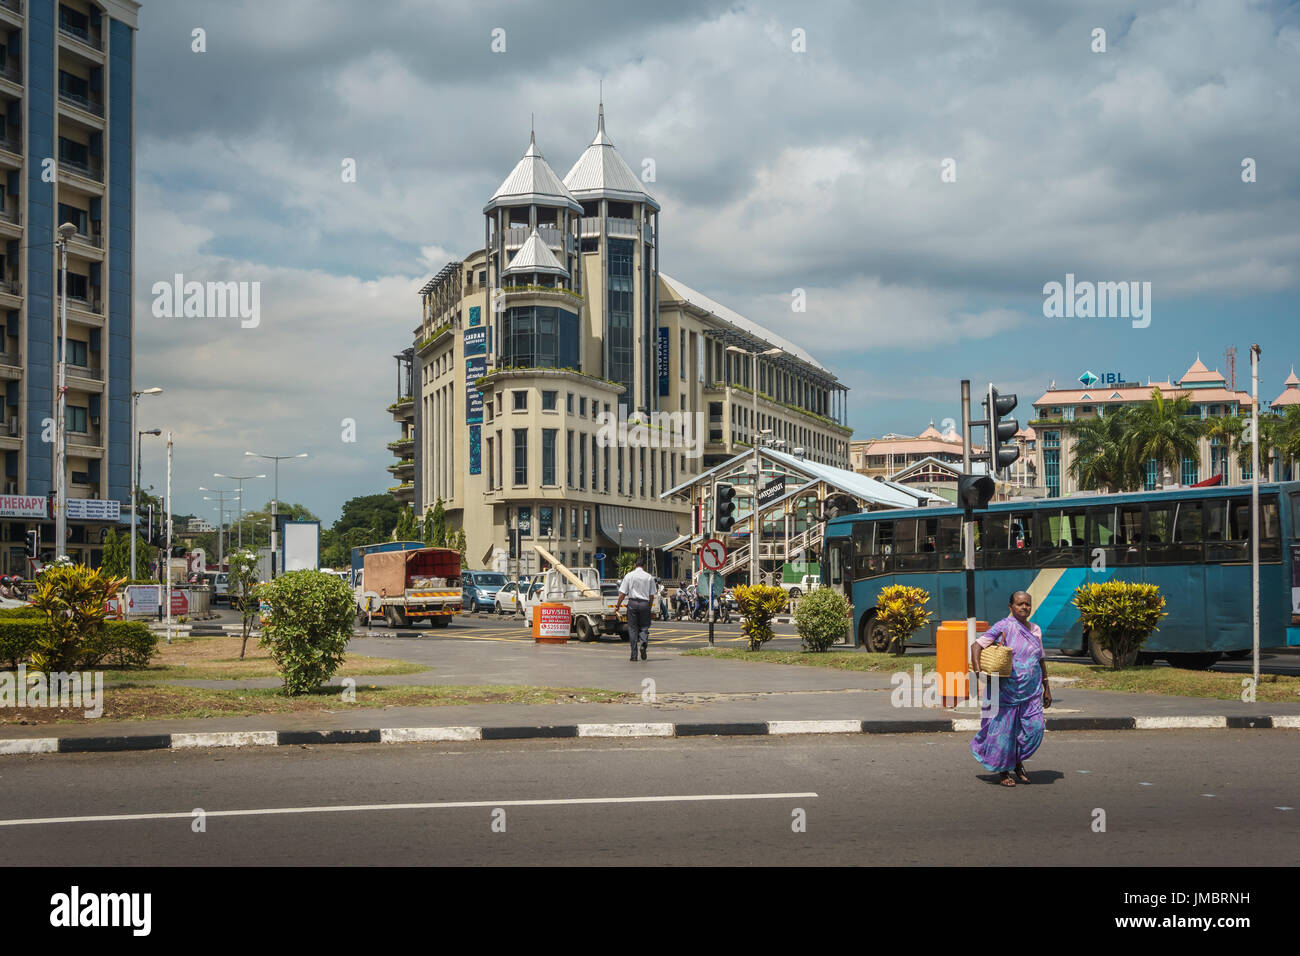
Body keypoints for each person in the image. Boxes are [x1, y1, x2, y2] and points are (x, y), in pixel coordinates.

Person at [969, 590, 1052, 787]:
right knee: (1003, 733)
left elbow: (1040, 658)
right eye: (1020, 604)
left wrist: (1046, 686)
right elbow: (976, 646)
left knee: (1035, 729)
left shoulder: (1036, 630)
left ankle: (1015, 760)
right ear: (1011, 607)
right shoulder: (1004, 626)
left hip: (1031, 692)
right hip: (1005, 691)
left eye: (1027, 604)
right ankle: (1004, 770)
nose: (1024, 607)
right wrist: (979, 671)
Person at [612, 555, 656, 661]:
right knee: (644, 627)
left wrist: (617, 606)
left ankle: (634, 655)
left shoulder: (629, 576)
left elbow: (622, 593)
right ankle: (643, 644)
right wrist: (648, 607)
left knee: (632, 629)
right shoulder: (649, 577)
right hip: (645, 604)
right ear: (644, 566)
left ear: (634, 565)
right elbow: (651, 595)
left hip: (632, 604)